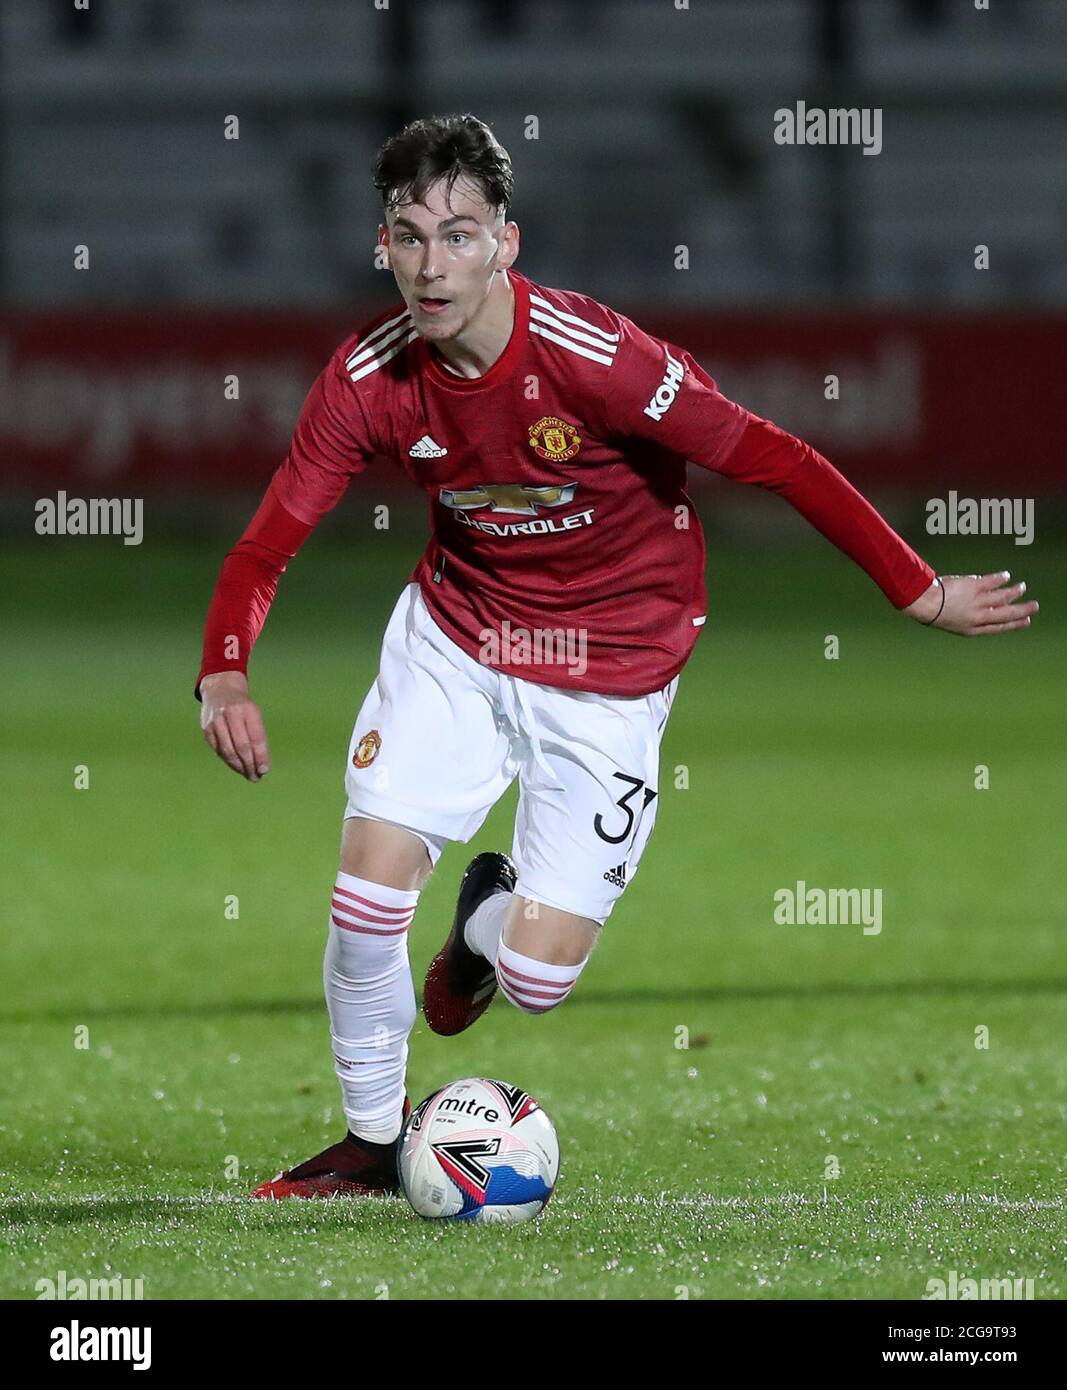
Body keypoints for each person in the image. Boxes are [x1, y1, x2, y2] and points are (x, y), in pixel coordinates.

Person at [195, 113, 1037, 1199]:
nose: (432, 263)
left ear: (506, 240)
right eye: (409, 236)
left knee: (538, 978)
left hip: (613, 667)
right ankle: (369, 1141)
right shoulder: (367, 377)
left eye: (458, 234)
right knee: (361, 905)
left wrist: (915, 591)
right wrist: (224, 668)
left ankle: (482, 929)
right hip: (460, 641)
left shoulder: (594, 359)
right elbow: (266, 542)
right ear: (380, 245)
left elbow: (772, 455)